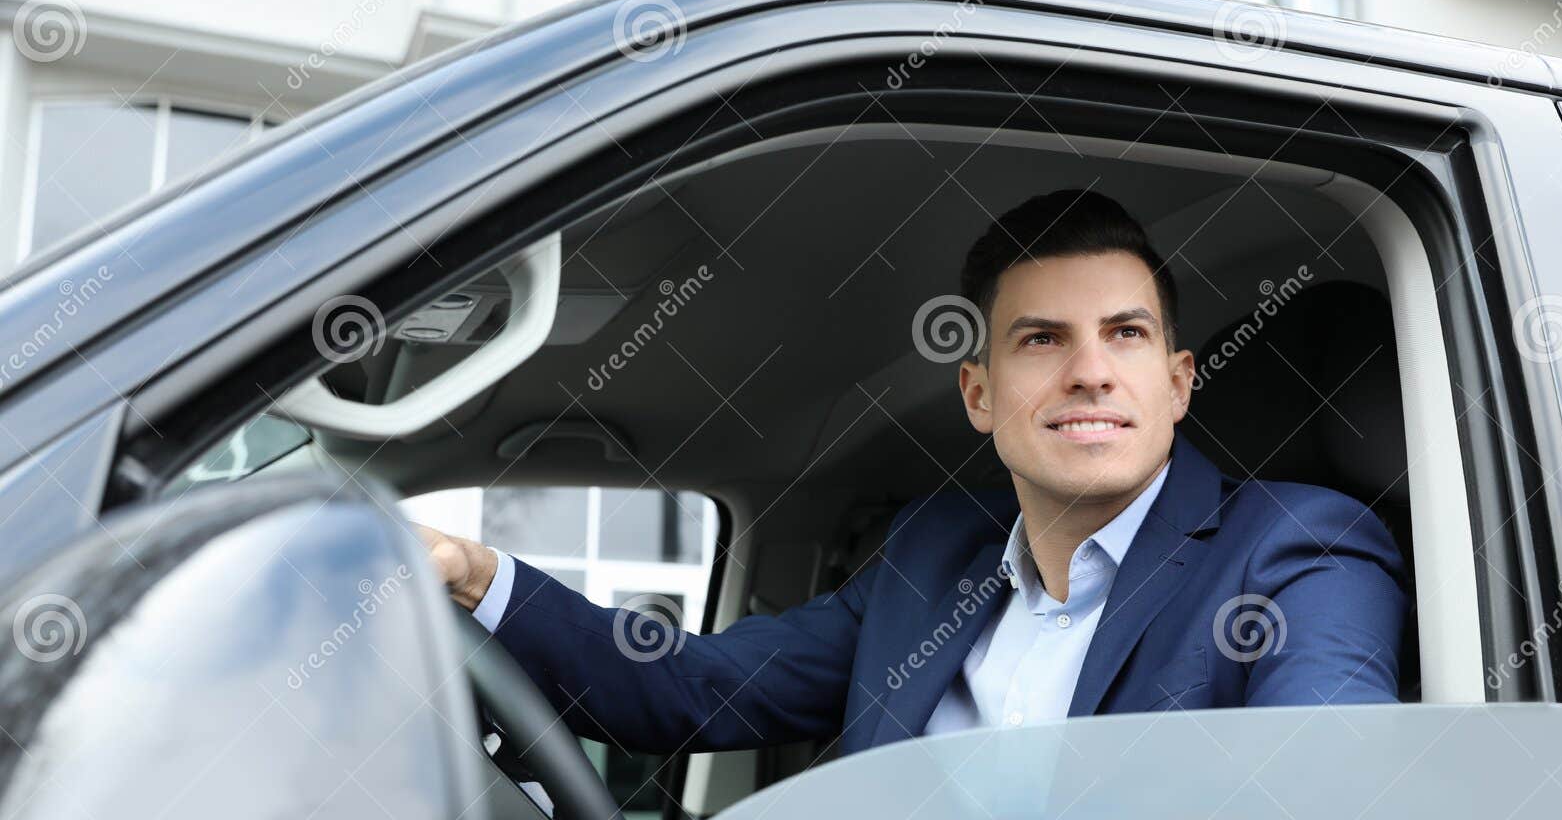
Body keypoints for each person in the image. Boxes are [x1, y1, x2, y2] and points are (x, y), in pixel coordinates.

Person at [415, 189, 1408, 758]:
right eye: (1041, 338)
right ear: (978, 393)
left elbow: (1315, 814)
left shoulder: (1295, 549)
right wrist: (468, 569)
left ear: (1179, 381)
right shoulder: (932, 555)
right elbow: (690, 688)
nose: (1091, 368)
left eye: (1126, 334)